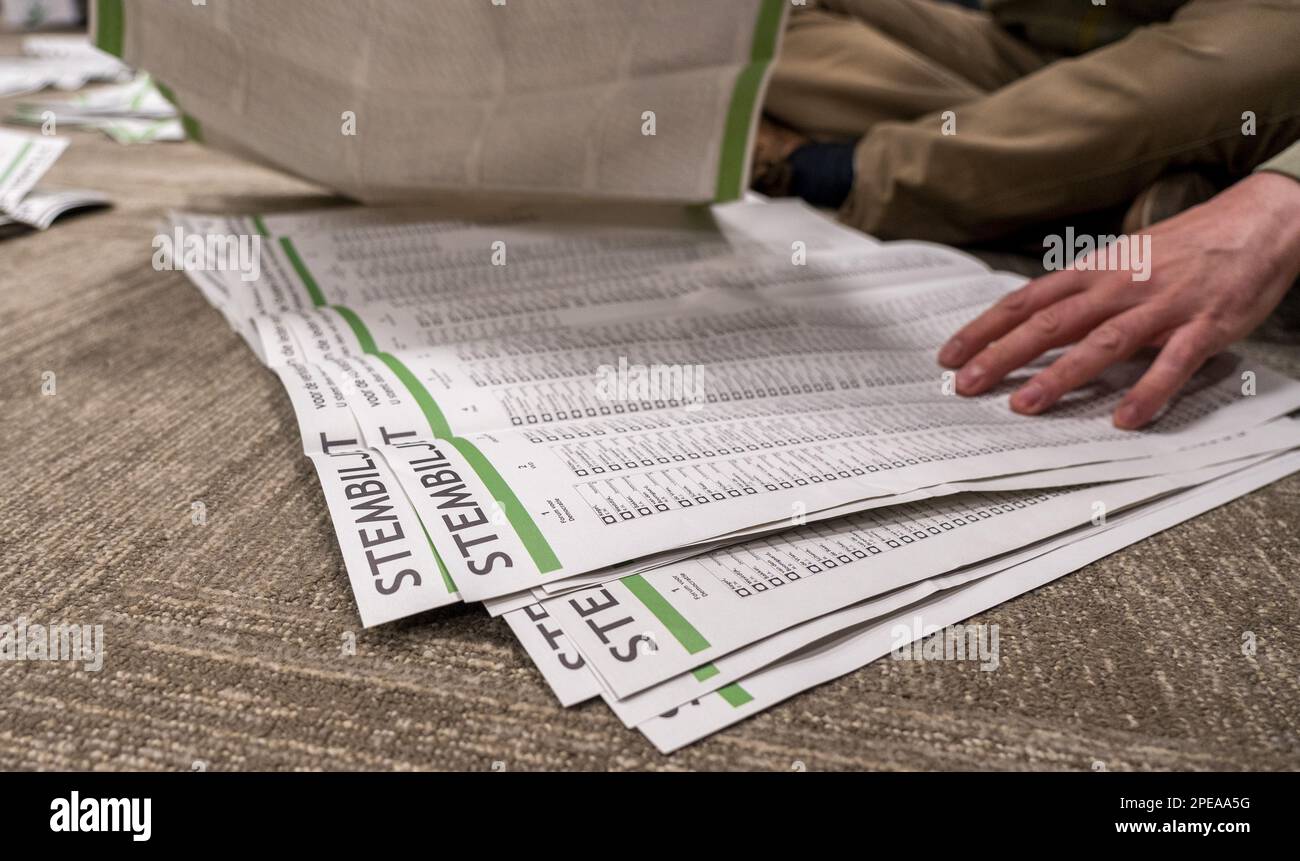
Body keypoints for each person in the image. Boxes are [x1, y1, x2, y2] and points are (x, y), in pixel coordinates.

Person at [755, 0, 1300, 428]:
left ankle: (826, 169)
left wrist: (1282, 198)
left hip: (1236, 40)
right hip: (1045, 50)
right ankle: (1085, 176)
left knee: (1278, 41)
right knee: (764, 14)